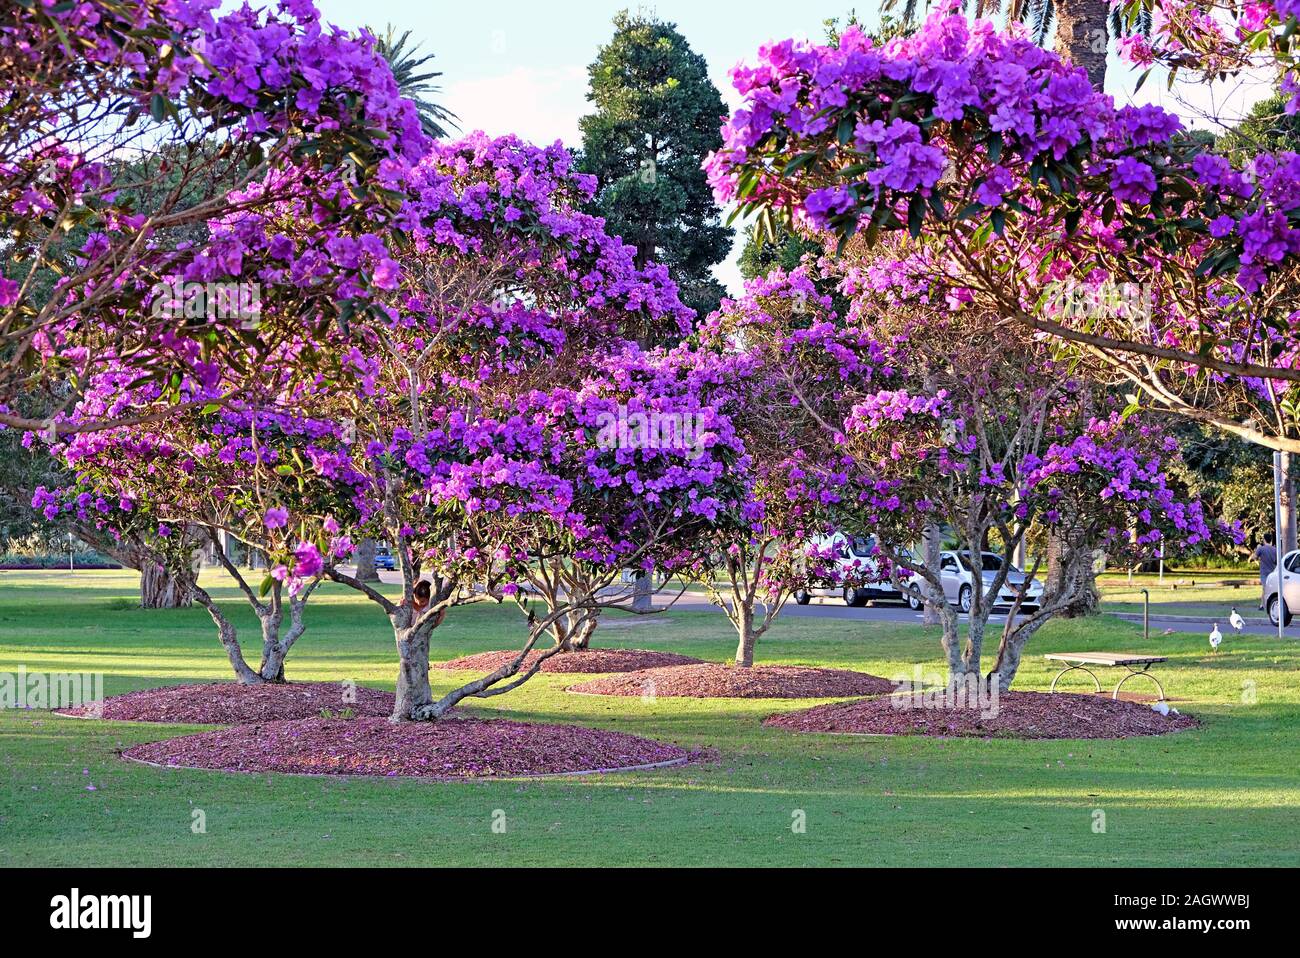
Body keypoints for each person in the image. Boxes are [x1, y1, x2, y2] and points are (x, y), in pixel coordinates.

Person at [1254, 533, 1278, 611]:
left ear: (1264, 540)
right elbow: (1277, 562)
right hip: (1273, 572)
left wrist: (1257, 548)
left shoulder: (1261, 549)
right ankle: (1264, 605)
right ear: (1271, 540)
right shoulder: (1275, 549)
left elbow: (1254, 557)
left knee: (1265, 589)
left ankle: (1263, 605)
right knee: (1271, 589)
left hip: (1264, 573)